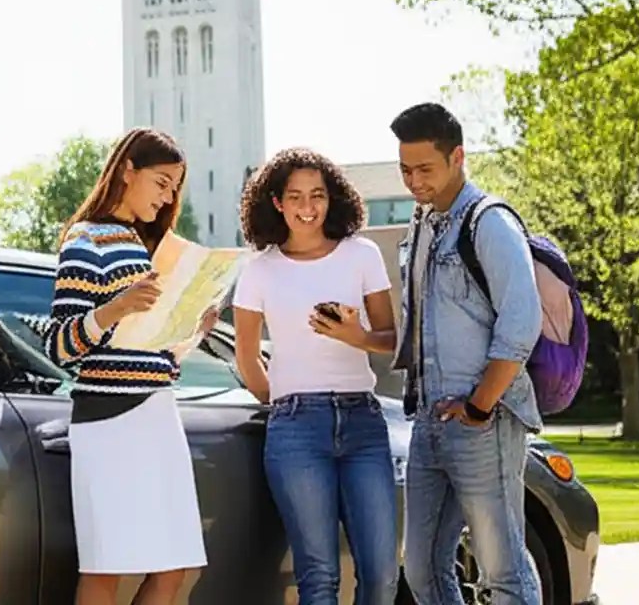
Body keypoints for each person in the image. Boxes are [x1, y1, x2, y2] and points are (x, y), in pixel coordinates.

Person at [44, 128, 214, 605]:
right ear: (127, 171)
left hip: (157, 413)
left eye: (174, 188)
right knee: (108, 567)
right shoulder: (86, 240)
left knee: (174, 566)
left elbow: (148, 357)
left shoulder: (144, 246)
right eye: (161, 183)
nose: (167, 198)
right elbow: (60, 346)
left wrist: (193, 332)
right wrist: (117, 307)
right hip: (109, 423)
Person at [230, 147, 400, 605]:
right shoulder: (259, 270)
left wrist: (355, 336)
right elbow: (246, 356)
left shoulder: (361, 254)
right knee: (319, 577)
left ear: (332, 198)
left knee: (382, 574)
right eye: (296, 196)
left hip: (363, 423)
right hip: (295, 429)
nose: (308, 207)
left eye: (317, 195)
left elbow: (391, 339)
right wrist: (282, 403)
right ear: (277, 203)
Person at [389, 103, 544, 605]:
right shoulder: (422, 224)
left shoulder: (489, 222)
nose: (414, 182)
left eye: (425, 169)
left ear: (457, 157)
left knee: (504, 571)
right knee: (422, 570)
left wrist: (479, 406)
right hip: (429, 419)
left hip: (484, 420)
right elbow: (420, 329)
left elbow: (521, 323)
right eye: (405, 170)